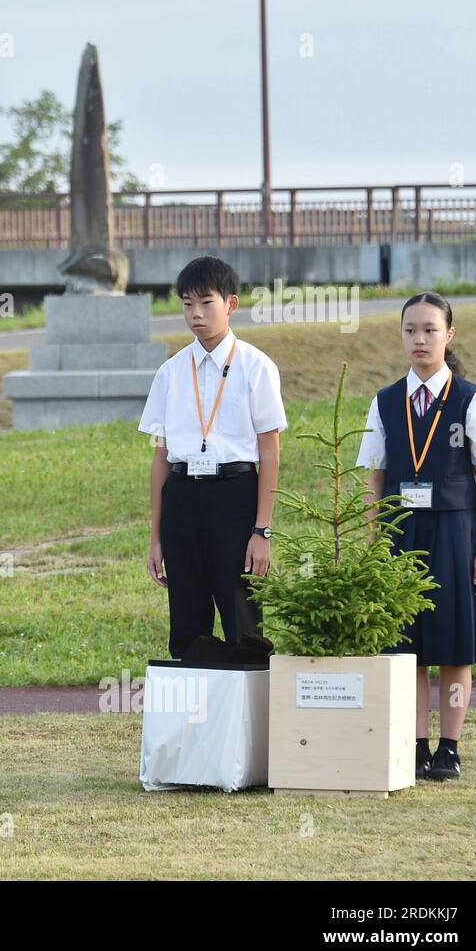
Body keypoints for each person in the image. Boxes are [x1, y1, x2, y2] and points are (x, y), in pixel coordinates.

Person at [357, 291, 476, 782]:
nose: (419, 339)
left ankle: (451, 746)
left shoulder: (472, 400)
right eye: (409, 330)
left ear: (449, 334)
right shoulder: (384, 402)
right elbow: (374, 477)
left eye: (429, 329)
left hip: (456, 532)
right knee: (409, 647)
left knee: (454, 646)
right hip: (402, 533)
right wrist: (373, 540)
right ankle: (416, 744)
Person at [138, 256, 287, 657]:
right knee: (186, 624)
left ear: (231, 304)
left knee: (243, 619)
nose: (196, 314)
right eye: (187, 304)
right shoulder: (170, 372)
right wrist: (156, 537)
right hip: (183, 496)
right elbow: (161, 457)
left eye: (206, 302)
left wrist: (262, 532)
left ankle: (250, 712)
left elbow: (270, 451)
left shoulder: (256, 367)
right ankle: (198, 713)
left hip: (235, 493)